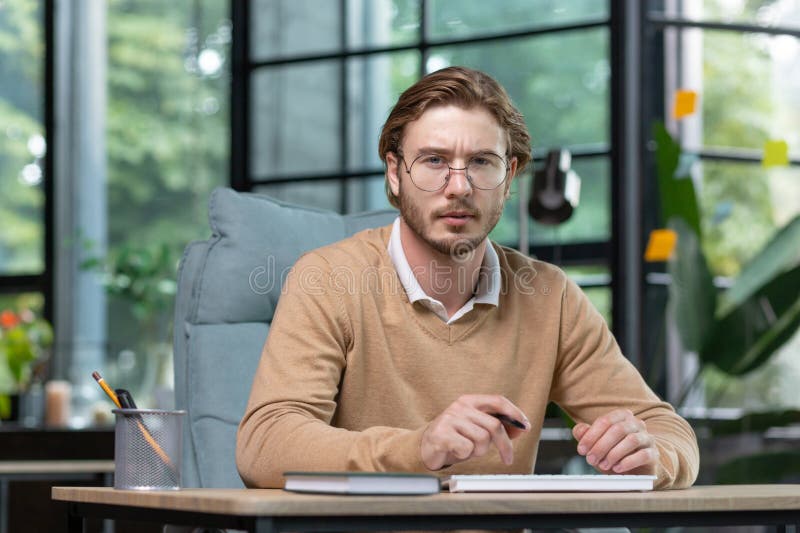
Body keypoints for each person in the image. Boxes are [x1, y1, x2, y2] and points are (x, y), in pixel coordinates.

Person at [236, 66, 699, 489]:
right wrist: (419, 449)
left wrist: (650, 456)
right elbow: (265, 443)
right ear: (395, 173)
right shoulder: (328, 280)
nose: (459, 186)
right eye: (434, 161)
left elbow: (670, 432)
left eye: (481, 162)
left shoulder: (550, 297)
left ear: (509, 175)